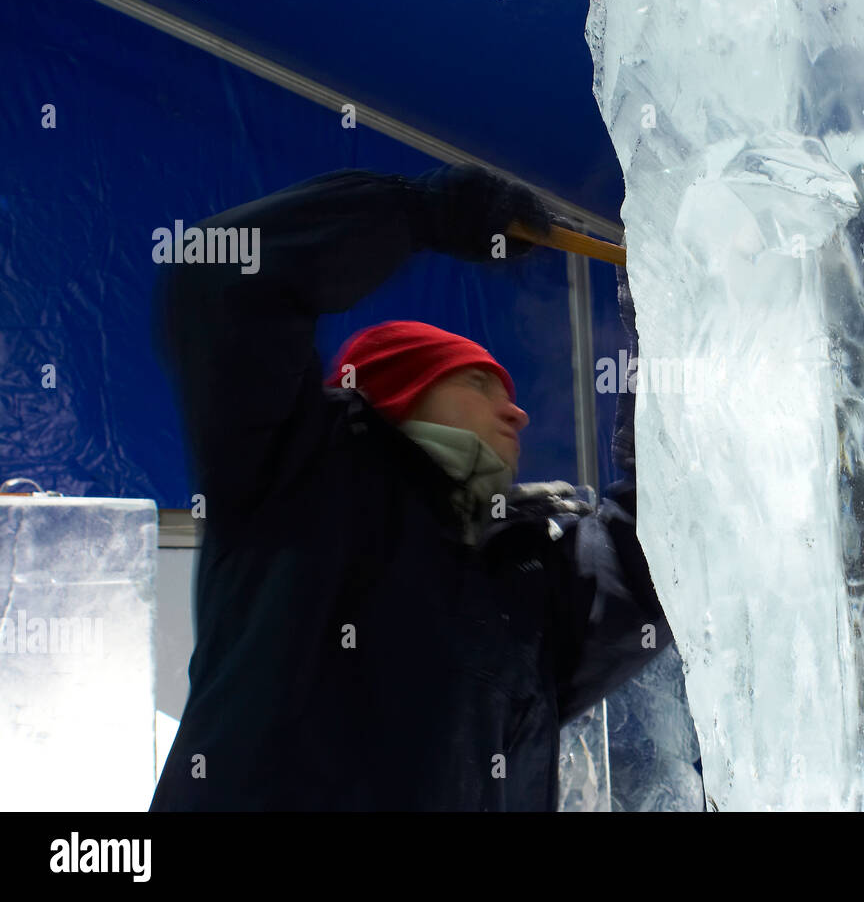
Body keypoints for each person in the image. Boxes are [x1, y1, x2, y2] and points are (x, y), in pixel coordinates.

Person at [148, 163, 668, 811]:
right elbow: (222, 279)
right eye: (478, 383)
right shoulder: (298, 470)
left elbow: (660, 547)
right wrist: (419, 213)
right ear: (395, 392)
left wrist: (668, 338)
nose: (518, 413)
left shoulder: (524, 575)